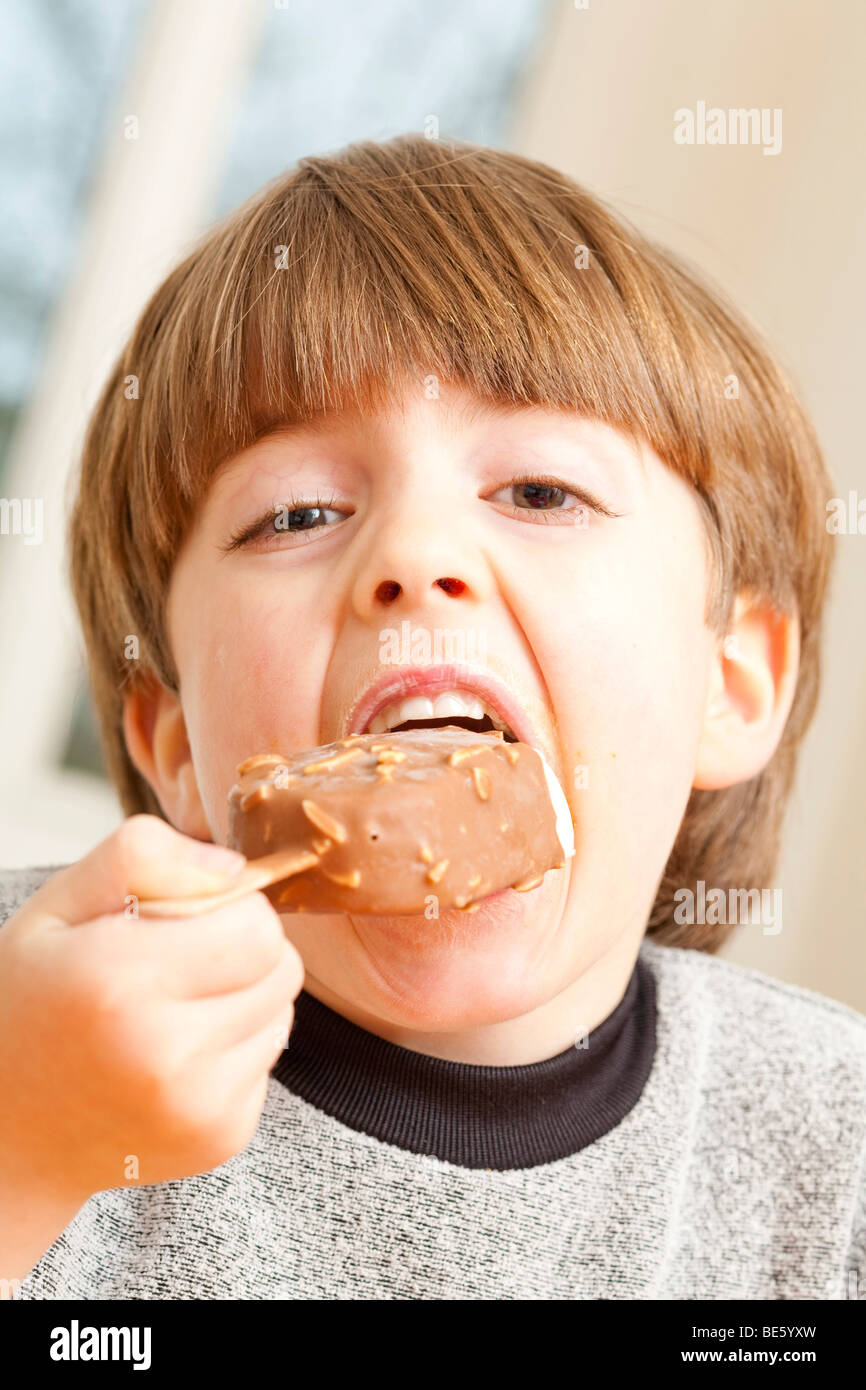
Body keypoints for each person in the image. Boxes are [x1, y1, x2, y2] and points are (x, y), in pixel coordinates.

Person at [2, 134, 863, 1300]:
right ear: (178, 747)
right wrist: (23, 1152)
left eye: (539, 491)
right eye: (297, 514)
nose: (411, 555)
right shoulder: (25, 1016)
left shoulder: (829, 1148)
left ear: (731, 681)